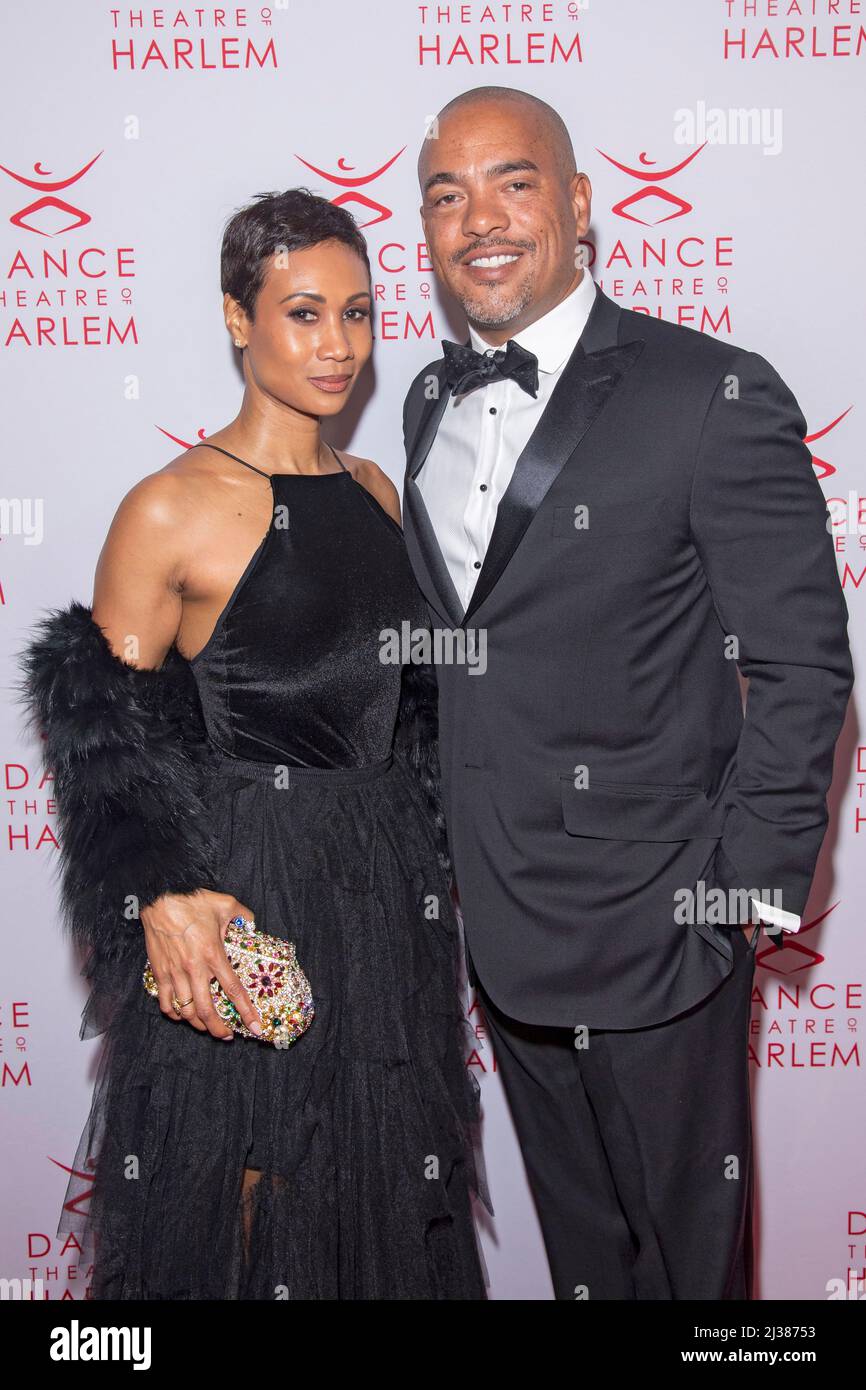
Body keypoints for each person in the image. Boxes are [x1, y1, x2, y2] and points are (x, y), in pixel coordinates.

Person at [401, 85, 854, 1299]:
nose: (478, 218)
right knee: (585, 1265)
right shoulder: (428, 400)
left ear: (581, 204)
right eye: (446, 194)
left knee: (695, 1278)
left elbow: (801, 661)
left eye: (513, 181)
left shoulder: (707, 393)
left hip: (662, 931)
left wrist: (743, 894)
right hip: (498, 924)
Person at [16, 187, 489, 1301]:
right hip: (246, 892)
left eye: (359, 314)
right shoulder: (169, 507)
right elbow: (105, 742)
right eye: (303, 313)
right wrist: (161, 897)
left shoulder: (376, 490)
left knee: (379, 1196)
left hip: (386, 896)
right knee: (246, 1197)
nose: (337, 346)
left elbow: (416, 711)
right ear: (238, 318)